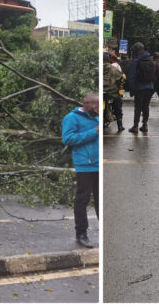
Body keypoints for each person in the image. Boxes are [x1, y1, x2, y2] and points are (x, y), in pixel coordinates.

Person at [61, 93, 99, 247]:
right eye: (96, 107)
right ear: (88, 104)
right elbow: (68, 139)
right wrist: (94, 131)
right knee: (82, 198)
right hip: (85, 163)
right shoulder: (72, 118)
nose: (98, 110)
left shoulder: (96, 117)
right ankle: (81, 233)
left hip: (98, 164)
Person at [127, 42, 155, 133]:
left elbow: (131, 76)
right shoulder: (150, 59)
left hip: (139, 87)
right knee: (146, 106)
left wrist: (132, 89)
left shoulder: (136, 60)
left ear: (137, 50)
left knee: (138, 107)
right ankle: (145, 125)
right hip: (150, 87)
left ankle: (135, 126)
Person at [103, 53, 125, 132]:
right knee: (118, 106)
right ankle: (120, 125)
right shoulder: (113, 68)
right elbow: (120, 78)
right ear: (108, 60)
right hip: (112, 92)